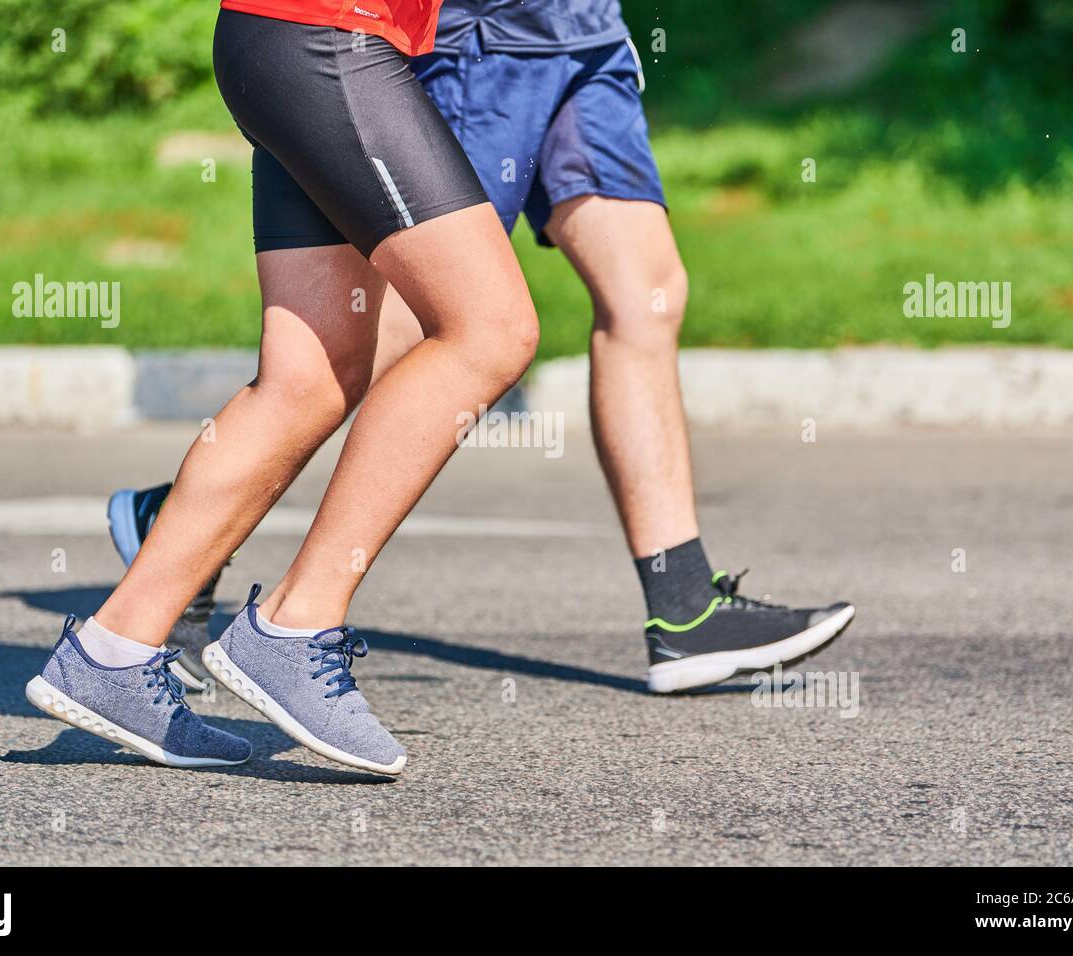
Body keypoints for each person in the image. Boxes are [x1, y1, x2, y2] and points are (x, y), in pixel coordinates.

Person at [106, 0, 854, 705]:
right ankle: (182, 530)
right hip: (484, 34)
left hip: (585, 33)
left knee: (647, 291)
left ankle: (685, 605)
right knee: (416, 326)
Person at [26, 0, 541, 775]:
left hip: (290, 41)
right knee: (489, 331)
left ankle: (114, 650)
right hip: (329, 37)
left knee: (312, 376)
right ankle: (295, 627)